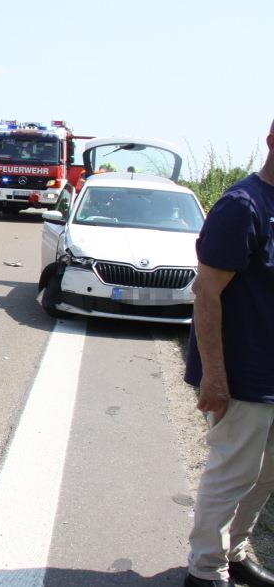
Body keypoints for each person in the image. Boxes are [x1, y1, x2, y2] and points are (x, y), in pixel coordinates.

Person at [183, 118, 274, 587]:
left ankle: (235, 550)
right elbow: (206, 293)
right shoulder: (243, 206)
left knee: (266, 475)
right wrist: (214, 375)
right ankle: (204, 569)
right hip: (245, 371)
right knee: (233, 472)